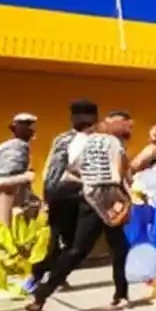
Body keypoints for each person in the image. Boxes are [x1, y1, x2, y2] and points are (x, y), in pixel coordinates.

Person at [25, 111, 136, 311]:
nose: (130, 131)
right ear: (115, 123)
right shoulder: (113, 143)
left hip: (89, 198)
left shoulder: (87, 142)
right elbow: (123, 173)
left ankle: (40, 297)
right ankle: (120, 296)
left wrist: (88, 182)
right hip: (109, 201)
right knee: (112, 248)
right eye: (128, 126)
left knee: (81, 250)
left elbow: (72, 168)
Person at [26, 99, 100, 294]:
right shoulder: (67, 140)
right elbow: (54, 171)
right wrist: (48, 198)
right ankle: (38, 275)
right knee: (59, 241)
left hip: (79, 196)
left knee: (71, 242)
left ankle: (55, 276)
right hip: (65, 195)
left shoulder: (88, 139)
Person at [0, 114, 39, 229]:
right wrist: (25, 177)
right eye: (29, 126)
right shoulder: (15, 148)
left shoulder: (9, 147)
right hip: (2, 206)